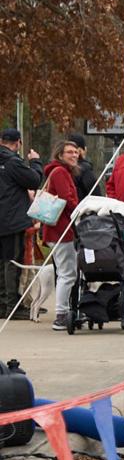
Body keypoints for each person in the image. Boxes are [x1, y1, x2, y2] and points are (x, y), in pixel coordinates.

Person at [0, 130, 43, 319]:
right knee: (13, 262)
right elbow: (34, 180)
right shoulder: (12, 162)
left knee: (1, 262)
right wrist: (35, 162)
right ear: (18, 143)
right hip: (12, 219)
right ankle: (13, 306)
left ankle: (2, 305)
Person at [41, 140, 81, 330]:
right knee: (67, 273)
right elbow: (67, 199)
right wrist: (81, 210)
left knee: (65, 273)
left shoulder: (57, 171)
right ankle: (61, 315)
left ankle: (62, 312)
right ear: (60, 155)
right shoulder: (61, 172)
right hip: (61, 230)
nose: (74, 155)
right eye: (69, 152)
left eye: (76, 152)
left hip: (56, 229)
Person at [66, 133, 97, 202]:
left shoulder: (61, 168)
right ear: (81, 150)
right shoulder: (85, 169)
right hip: (80, 209)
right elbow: (95, 195)